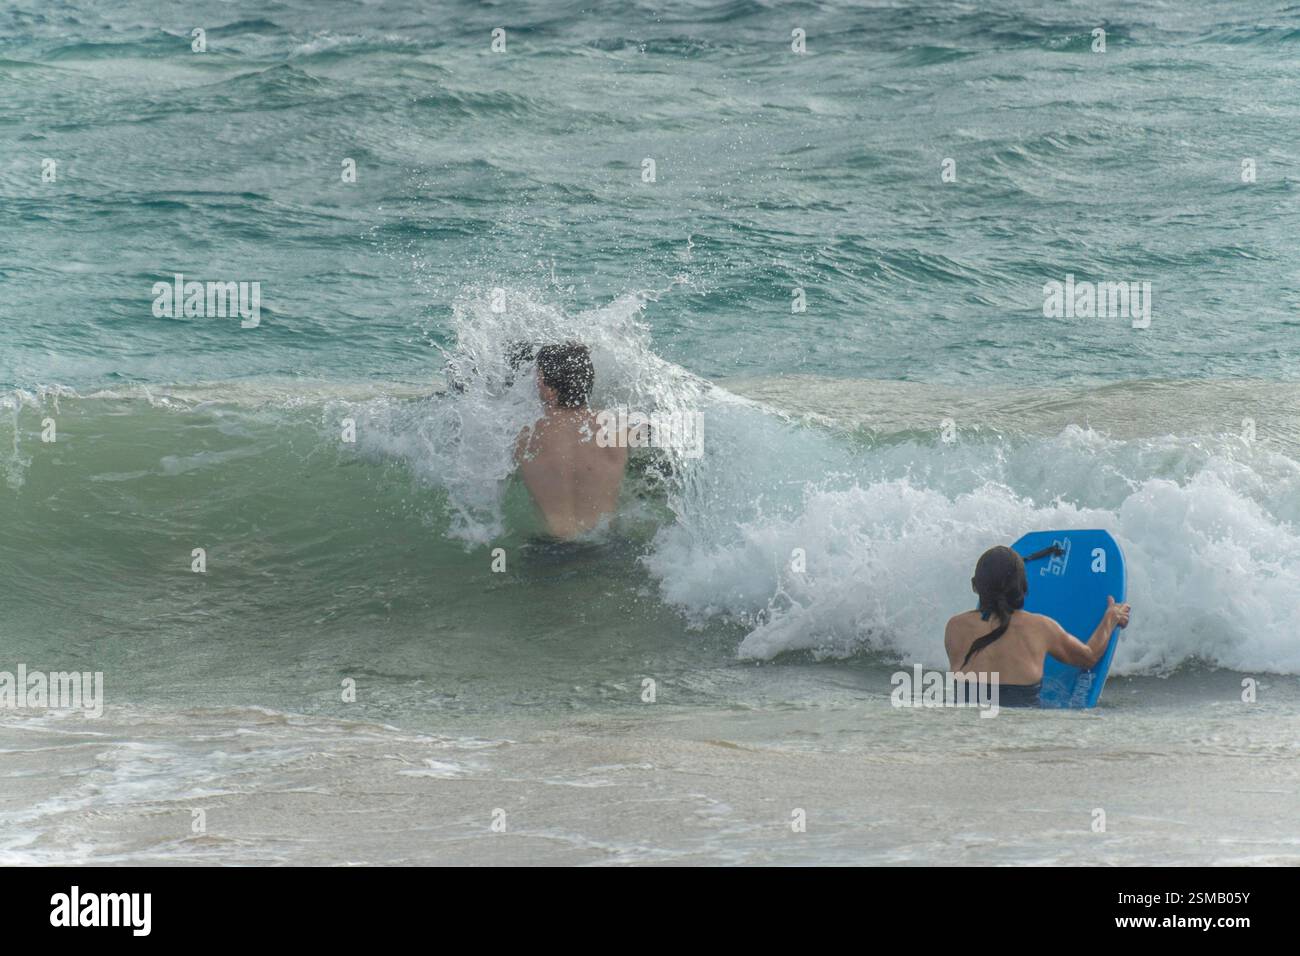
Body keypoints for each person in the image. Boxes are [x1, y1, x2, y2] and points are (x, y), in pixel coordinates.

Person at [943, 545, 1131, 707]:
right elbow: (1088, 657)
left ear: (975, 586)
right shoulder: (1041, 627)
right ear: (1023, 587)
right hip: (1023, 730)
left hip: (970, 730)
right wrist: (1110, 618)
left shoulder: (955, 627)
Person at [514, 342, 627, 539]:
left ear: (551, 390)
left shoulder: (525, 434)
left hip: (552, 550)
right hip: (609, 545)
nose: (535, 382)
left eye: (538, 377)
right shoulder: (617, 427)